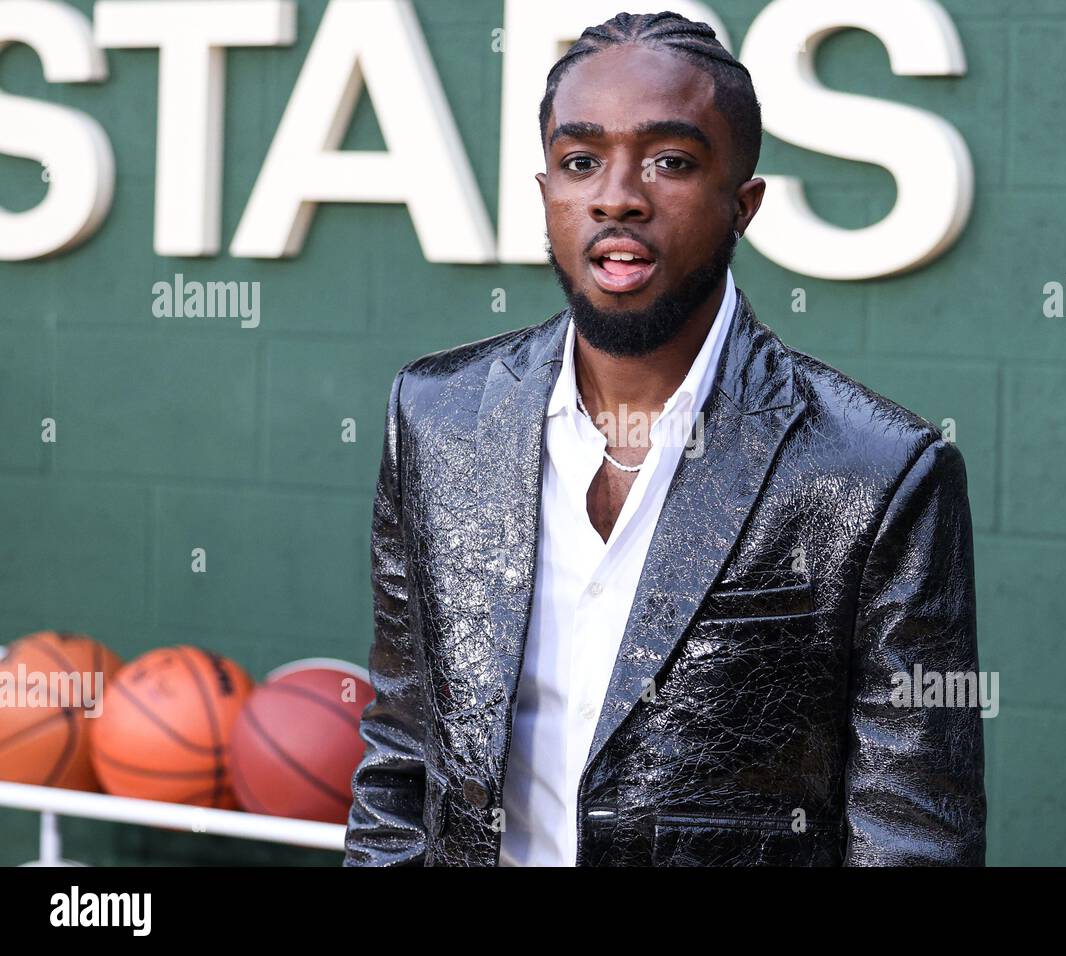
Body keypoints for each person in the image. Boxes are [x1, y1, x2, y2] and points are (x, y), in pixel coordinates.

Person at [344, 10, 984, 867]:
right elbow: (401, 762)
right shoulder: (436, 418)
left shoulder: (878, 473)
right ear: (547, 196)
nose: (617, 195)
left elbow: (913, 842)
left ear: (742, 205)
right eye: (581, 161)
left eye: (671, 162)